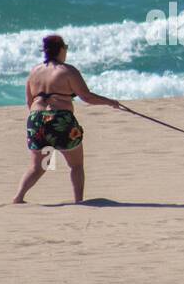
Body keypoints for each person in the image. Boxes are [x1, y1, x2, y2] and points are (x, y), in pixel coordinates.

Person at [13, 33, 121, 205]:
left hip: (36, 119)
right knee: (76, 165)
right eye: (66, 48)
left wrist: (41, 123)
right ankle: (78, 201)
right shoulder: (67, 71)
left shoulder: (34, 72)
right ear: (60, 50)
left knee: (38, 166)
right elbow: (86, 97)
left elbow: (29, 101)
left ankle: (18, 197)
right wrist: (110, 102)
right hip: (60, 119)